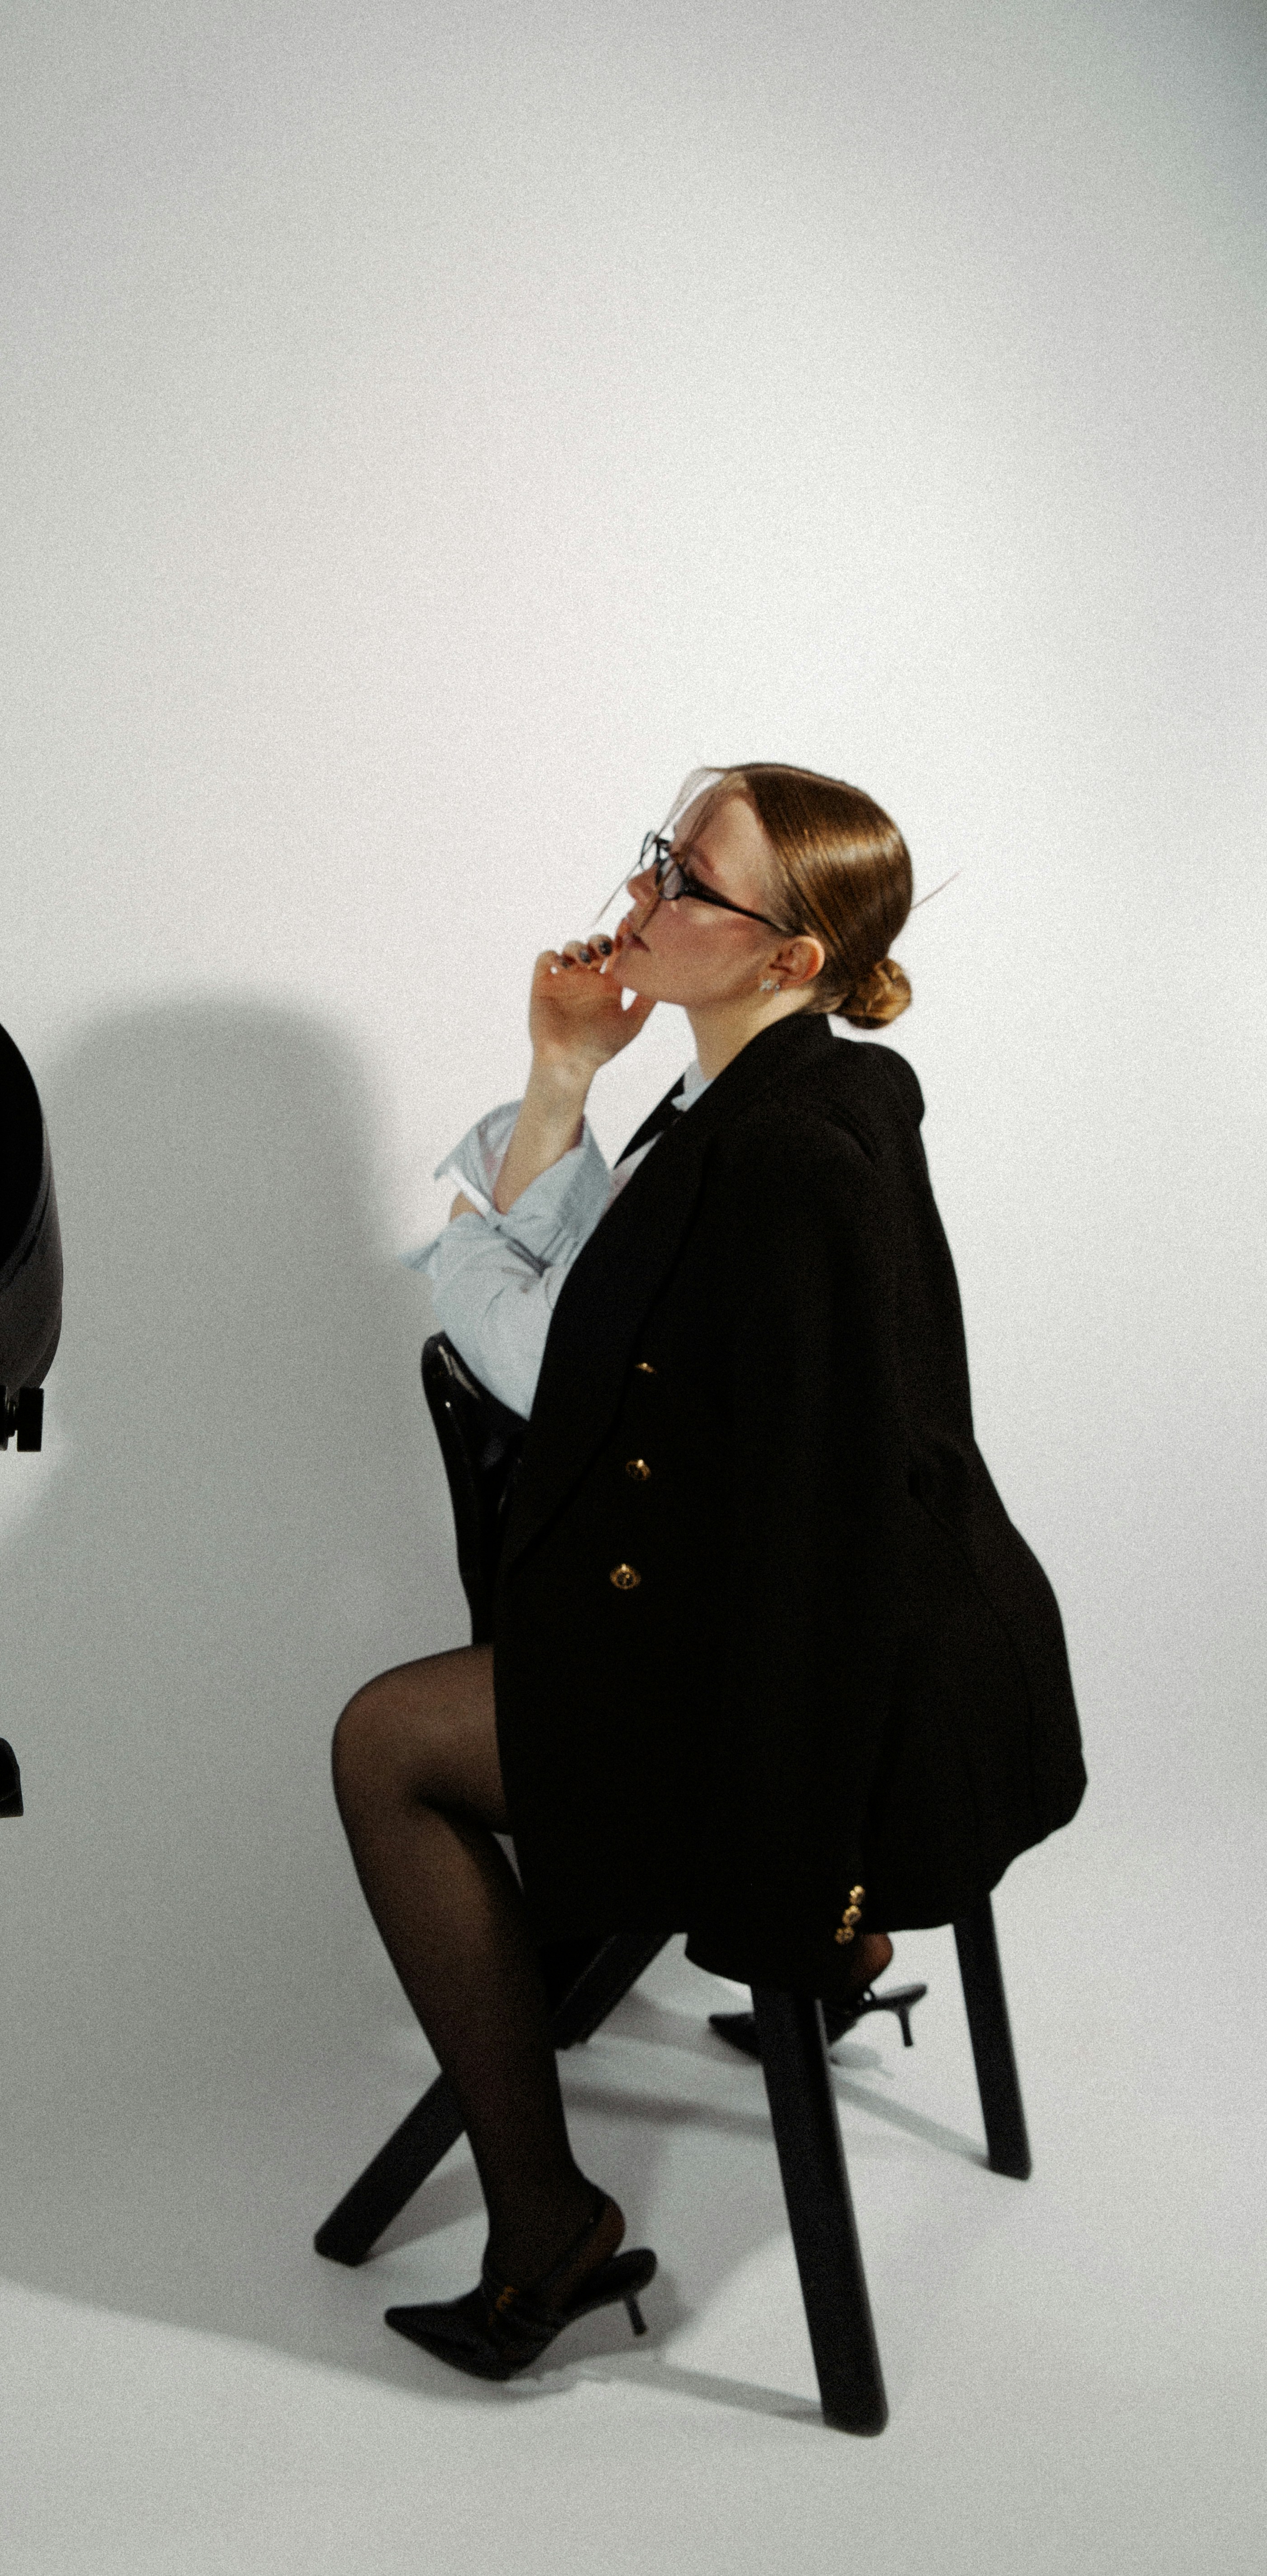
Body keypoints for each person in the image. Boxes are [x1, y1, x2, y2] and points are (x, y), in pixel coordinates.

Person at [331, 763, 1085, 2383]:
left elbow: (611, 1392)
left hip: (829, 1726)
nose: (641, 896)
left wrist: (803, 1879)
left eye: (691, 881)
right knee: (451, 1704)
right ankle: (840, 1963)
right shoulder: (782, 1098)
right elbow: (620, 1321)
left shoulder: (785, 1160)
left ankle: (549, 2231)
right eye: (659, 852)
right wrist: (563, 1072)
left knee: (385, 1742)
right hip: (936, 1663)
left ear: (785, 957)